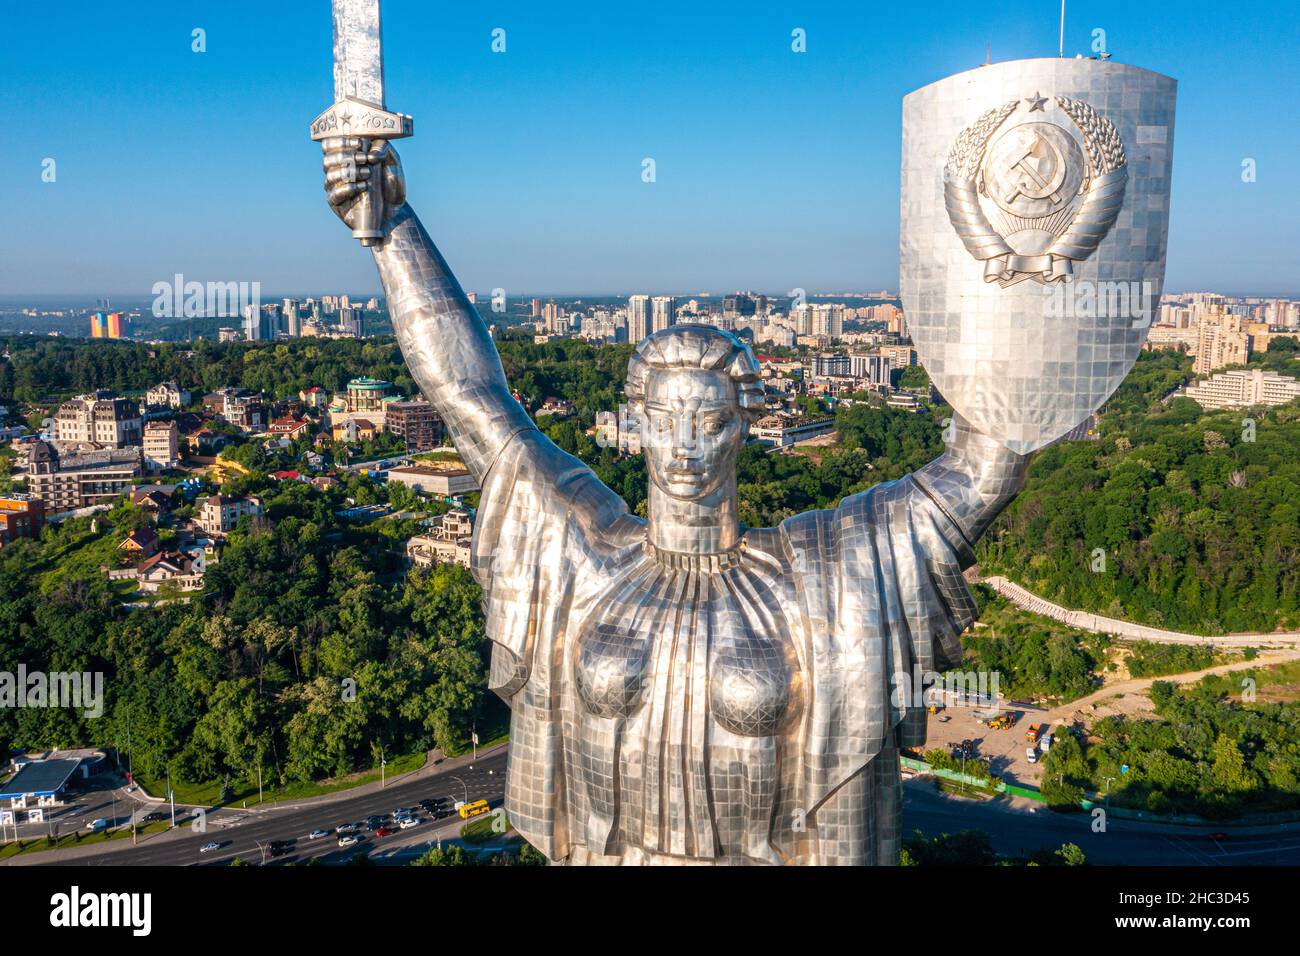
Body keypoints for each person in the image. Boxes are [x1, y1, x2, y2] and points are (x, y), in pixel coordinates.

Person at [321, 136, 1029, 865]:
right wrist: (390, 228)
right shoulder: (583, 557)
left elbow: (985, 470)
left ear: (744, 427)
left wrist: (1017, 263)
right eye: (665, 422)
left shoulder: (823, 577)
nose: (685, 449)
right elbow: (468, 395)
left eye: (709, 421)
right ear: (636, 425)